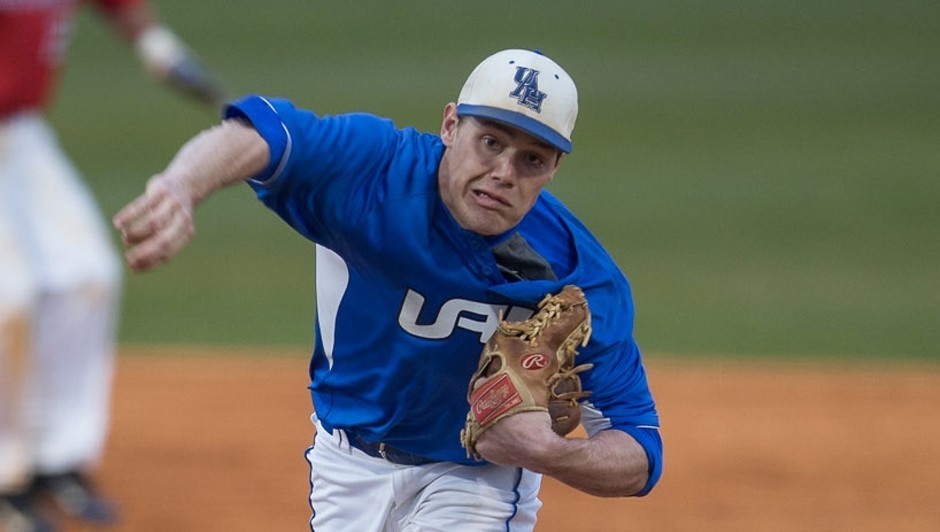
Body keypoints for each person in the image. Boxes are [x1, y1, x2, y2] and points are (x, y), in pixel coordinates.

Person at [113, 48, 663, 530]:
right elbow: (261, 134)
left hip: (473, 479)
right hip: (345, 461)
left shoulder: (575, 275)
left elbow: (640, 448)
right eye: (490, 141)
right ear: (450, 126)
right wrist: (183, 185)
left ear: (554, 169)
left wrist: (548, 453)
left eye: (531, 160)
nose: (503, 171)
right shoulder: (375, 171)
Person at [0, 1, 224, 530]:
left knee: (87, 276)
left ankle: (57, 459)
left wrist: (157, 48)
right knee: (9, 296)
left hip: (18, 132)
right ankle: (5, 475)